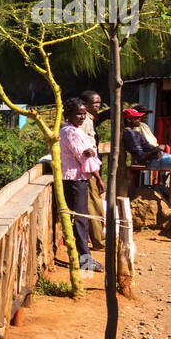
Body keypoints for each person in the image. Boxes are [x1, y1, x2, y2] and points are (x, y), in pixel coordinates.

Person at [60, 99, 104, 273]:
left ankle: (85, 258)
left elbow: (90, 154)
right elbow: (85, 158)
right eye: (79, 113)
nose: (82, 116)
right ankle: (85, 261)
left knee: (81, 220)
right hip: (75, 180)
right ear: (69, 115)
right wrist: (99, 178)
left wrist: (92, 154)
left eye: (84, 113)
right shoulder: (70, 132)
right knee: (80, 221)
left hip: (78, 179)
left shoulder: (75, 130)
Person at [78, 90, 109, 249]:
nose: (97, 106)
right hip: (88, 170)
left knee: (92, 203)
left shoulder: (89, 119)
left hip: (89, 169)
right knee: (94, 204)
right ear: (85, 104)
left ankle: (97, 239)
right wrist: (97, 176)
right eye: (94, 103)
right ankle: (99, 241)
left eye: (99, 103)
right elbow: (86, 151)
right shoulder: (84, 122)